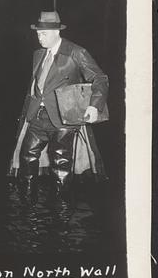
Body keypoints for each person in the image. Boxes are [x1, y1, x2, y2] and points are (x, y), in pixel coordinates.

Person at [9, 11, 109, 195]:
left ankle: (61, 208)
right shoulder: (38, 55)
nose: (40, 38)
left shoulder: (76, 52)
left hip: (64, 119)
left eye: (44, 34)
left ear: (56, 32)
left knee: (60, 163)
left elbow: (100, 78)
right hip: (37, 116)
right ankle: (27, 203)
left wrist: (94, 105)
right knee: (27, 156)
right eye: (38, 34)